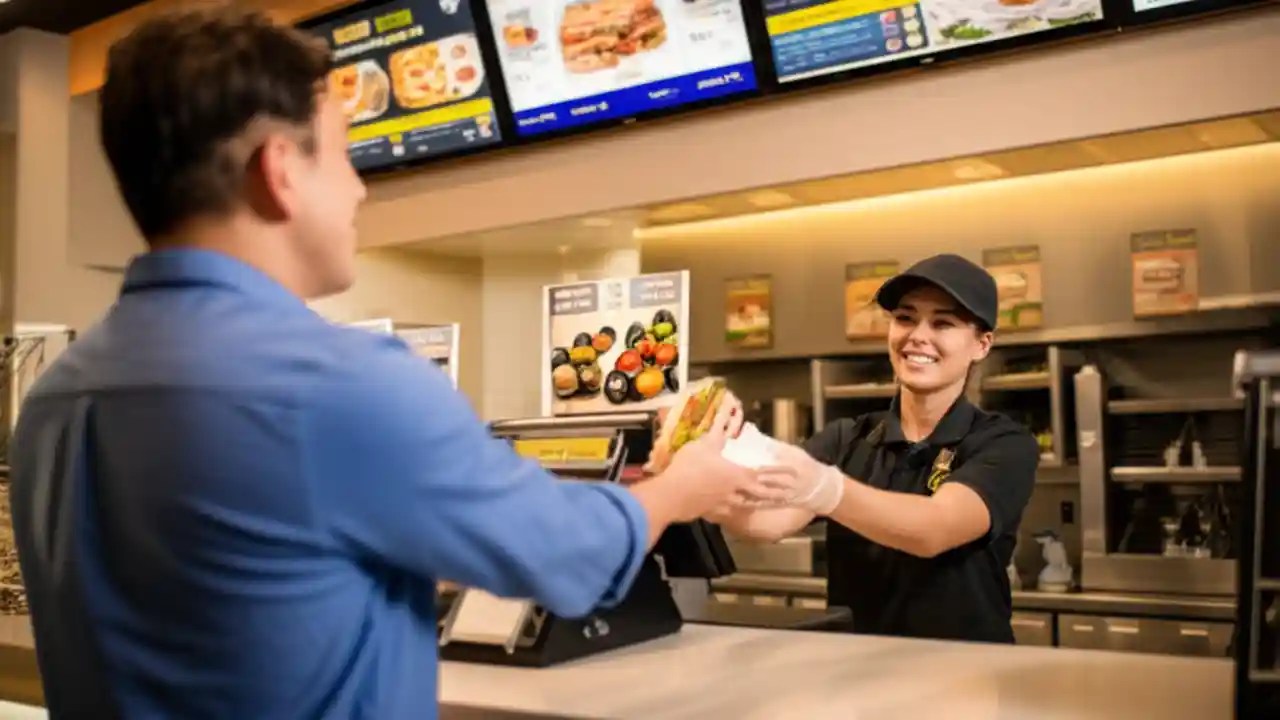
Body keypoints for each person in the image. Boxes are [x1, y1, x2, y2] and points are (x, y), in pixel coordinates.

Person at [8, 8, 782, 719]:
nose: (359, 190)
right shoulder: (339, 386)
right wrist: (685, 486)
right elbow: (568, 557)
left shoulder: (54, 399)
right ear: (280, 170)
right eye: (344, 156)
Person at [719, 254, 1040, 644]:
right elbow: (764, 523)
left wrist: (826, 489)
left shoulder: (1003, 443)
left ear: (982, 344)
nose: (918, 335)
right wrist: (702, 463)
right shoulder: (847, 439)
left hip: (963, 682)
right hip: (857, 677)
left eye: (943, 323)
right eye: (905, 318)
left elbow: (933, 530)